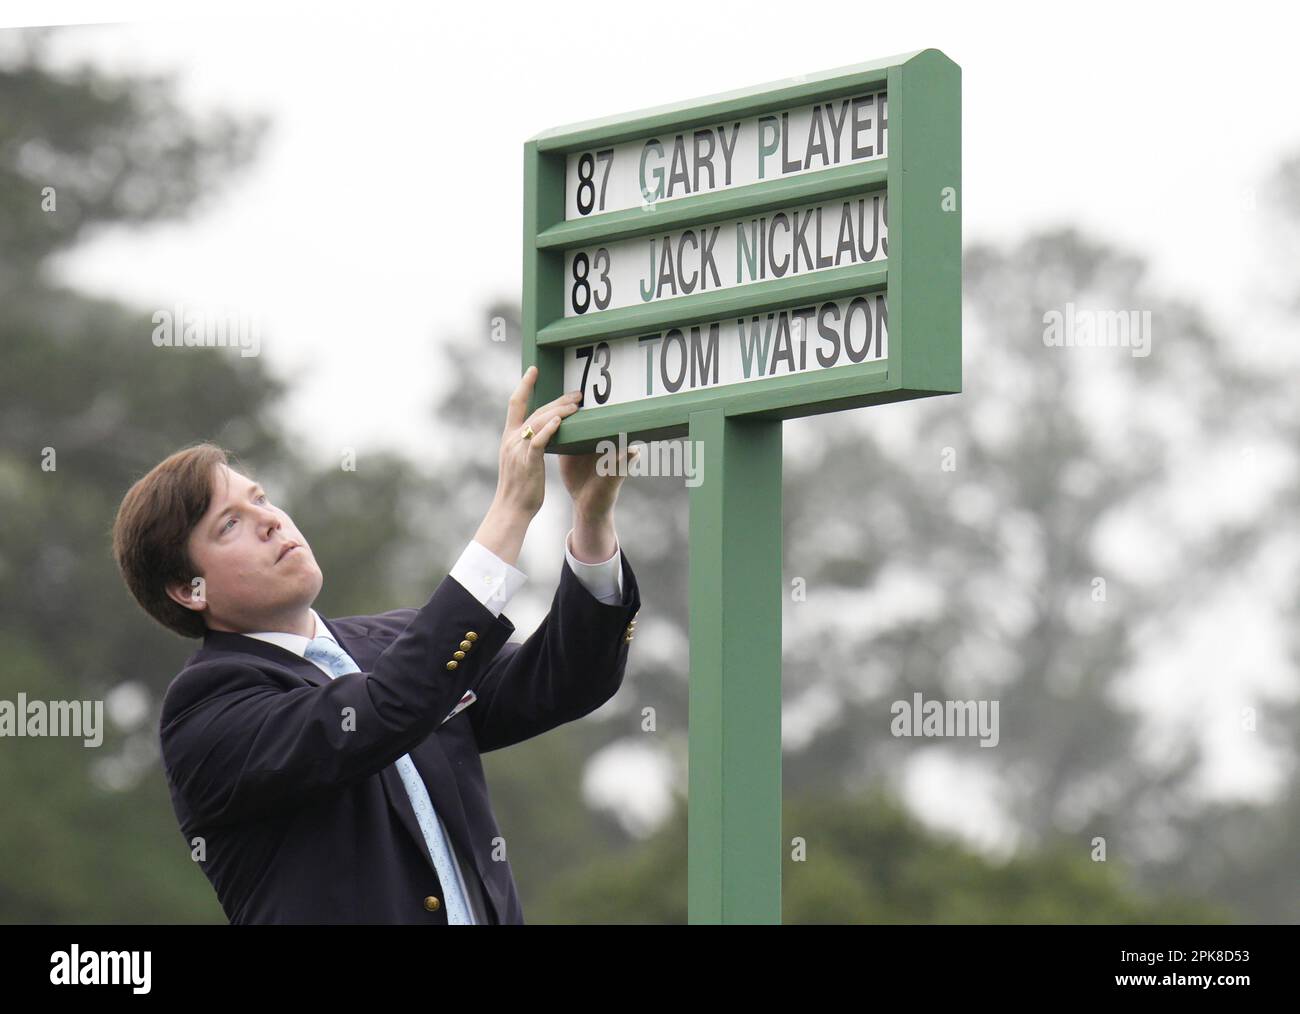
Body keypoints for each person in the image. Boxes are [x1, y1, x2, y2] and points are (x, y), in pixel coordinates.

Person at [111, 366, 641, 924]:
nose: (269, 521)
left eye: (260, 499)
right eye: (229, 525)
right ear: (185, 590)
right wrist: (510, 508)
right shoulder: (207, 708)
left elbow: (567, 681)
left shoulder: (395, 641)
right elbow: (392, 704)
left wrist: (591, 517)